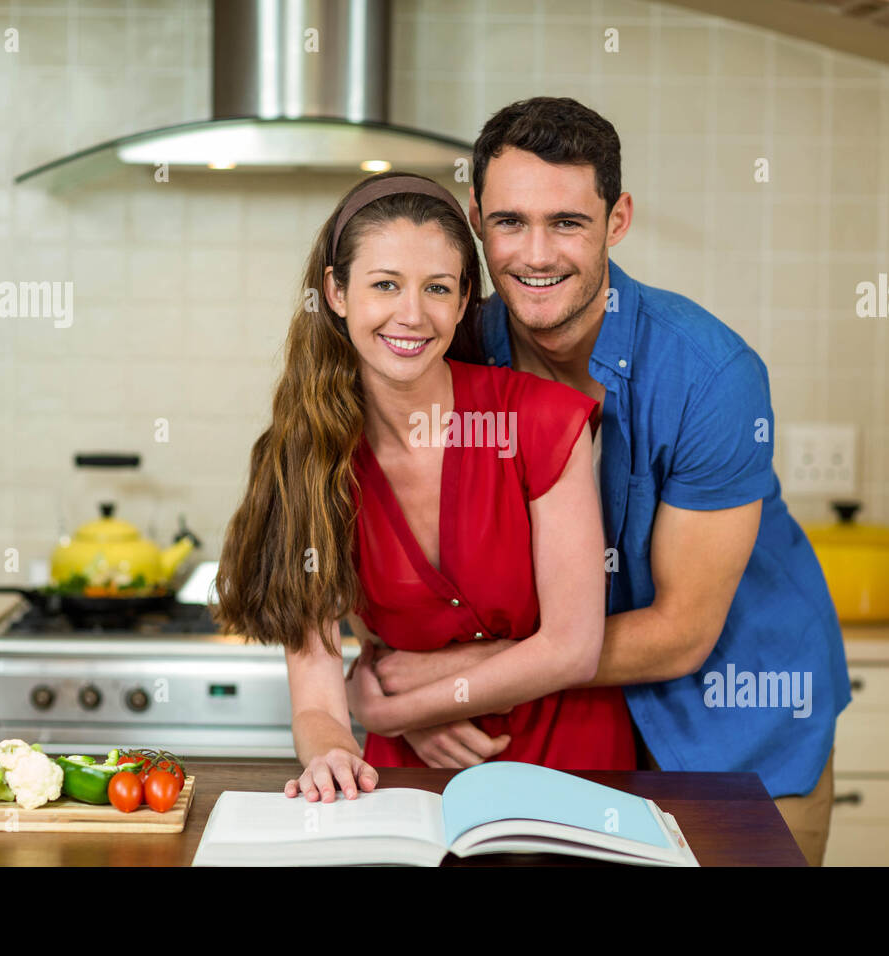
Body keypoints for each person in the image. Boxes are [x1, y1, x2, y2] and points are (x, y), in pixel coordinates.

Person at [347, 98, 852, 866]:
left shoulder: (711, 376)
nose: (536, 254)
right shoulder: (452, 350)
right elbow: (393, 545)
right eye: (511, 222)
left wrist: (446, 680)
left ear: (617, 220)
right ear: (478, 220)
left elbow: (682, 632)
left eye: (569, 223)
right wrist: (401, 700)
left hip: (735, 733)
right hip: (559, 741)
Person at [214, 171, 636, 805]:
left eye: (437, 288)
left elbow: (573, 649)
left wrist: (398, 710)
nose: (411, 315)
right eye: (385, 285)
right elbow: (319, 700)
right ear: (336, 292)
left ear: (465, 300)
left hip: (575, 775)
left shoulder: (541, 421)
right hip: (405, 784)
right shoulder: (301, 457)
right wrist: (332, 748)